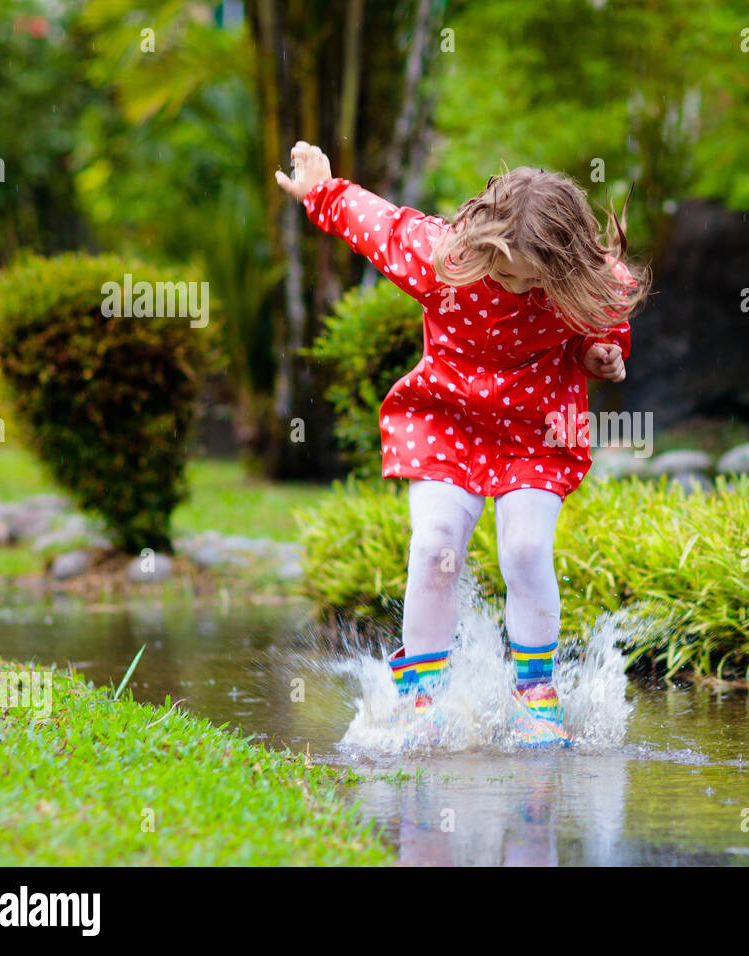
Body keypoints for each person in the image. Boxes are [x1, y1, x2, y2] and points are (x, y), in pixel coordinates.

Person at [275, 142, 650, 747]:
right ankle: (425, 697)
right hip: (444, 417)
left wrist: (600, 354)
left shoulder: (587, 280)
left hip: (536, 428)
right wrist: (323, 189)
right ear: (480, 246)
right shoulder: (441, 258)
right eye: (505, 274)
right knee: (434, 547)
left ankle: (536, 696)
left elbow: (602, 327)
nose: (517, 287)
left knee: (526, 551)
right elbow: (380, 224)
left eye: (534, 281)